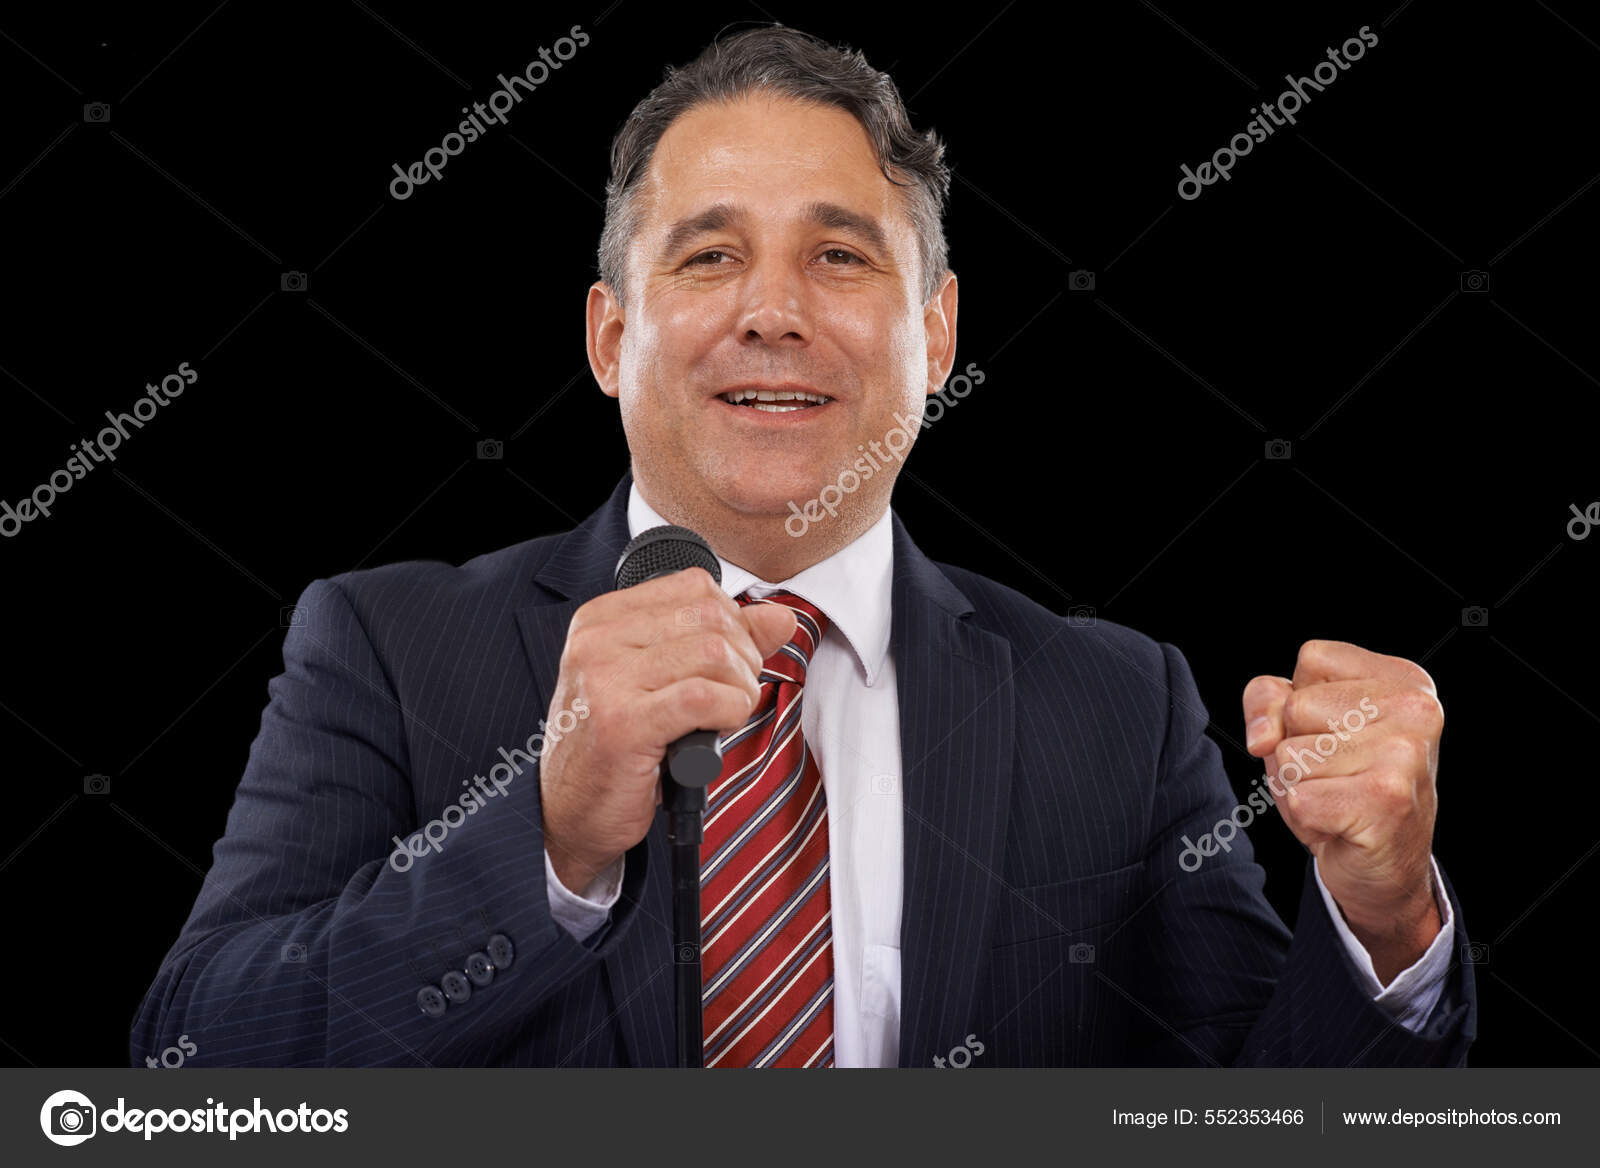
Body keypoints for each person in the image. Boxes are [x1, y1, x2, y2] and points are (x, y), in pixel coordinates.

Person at [131, 25, 1472, 1068]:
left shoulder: (1119, 707)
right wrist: (546, 839)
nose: (772, 313)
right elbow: (193, 1073)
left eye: (841, 258)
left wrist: (1384, 920)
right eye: (709, 258)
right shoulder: (385, 642)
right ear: (611, 338)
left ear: (937, 338)